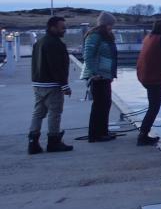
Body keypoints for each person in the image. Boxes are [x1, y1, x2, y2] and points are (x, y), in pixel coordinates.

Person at [29, 16, 73, 154]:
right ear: (52, 27)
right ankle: (54, 142)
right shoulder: (55, 44)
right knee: (55, 113)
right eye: (62, 27)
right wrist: (64, 86)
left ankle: (33, 142)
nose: (64, 30)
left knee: (38, 113)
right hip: (52, 85)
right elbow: (57, 67)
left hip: (38, 84)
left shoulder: (39, 42)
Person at [81, 12, 119, 142]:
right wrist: (94, 73)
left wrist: (111, 74)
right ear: (104, 24)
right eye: (110, 25)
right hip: (97, 76)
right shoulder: (94, 36)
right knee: (99, 105)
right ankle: (95, 135)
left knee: (106, 103)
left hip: (105, 76)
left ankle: (103, 131)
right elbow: (88, 56)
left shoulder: (106, 36)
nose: (111, 27)